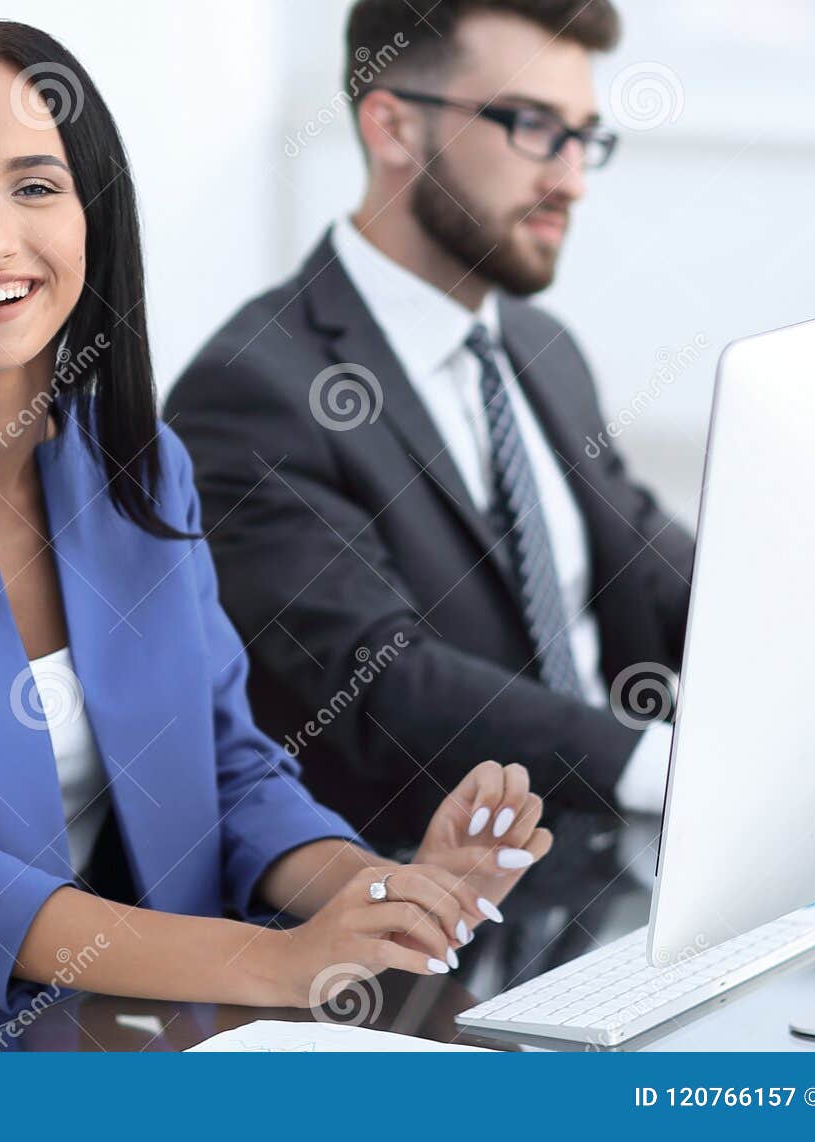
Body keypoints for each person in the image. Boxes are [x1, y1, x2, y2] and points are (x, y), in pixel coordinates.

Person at [0, 18, 552, 1051]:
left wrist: (379, 892)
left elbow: (229, 767)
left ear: (95, 220)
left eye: (37, 186)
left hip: (130, 1036)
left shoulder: (135, 464)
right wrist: (269, 958)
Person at [164, 0, 693, 861]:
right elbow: (380, 676)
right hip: (416, 911)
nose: (572, 180)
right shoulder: (251, 388)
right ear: (394, 125)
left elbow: (642, 555)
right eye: (533, 127)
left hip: (618, 859)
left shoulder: (539, 347)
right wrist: (655, 764)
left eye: (585, 137)